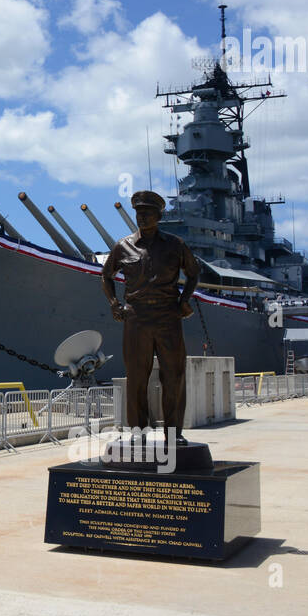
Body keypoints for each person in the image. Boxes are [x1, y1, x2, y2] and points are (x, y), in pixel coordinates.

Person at [100, 190, 200, 443]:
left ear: (159, 215)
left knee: (174, 376)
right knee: (136, 376)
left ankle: (174, 434)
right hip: (137, 317)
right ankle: (137, 433)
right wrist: (114, 303)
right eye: (138, 213)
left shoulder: (176, 245)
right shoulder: (123, 246)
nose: (142, 217)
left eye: (147, 213)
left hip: (168, 316)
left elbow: (194, 273)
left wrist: (184, 300)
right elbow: (106, 275)